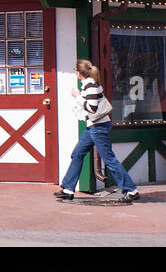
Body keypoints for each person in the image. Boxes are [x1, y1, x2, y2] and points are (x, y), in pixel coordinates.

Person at [57, 59, 139, 203]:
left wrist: (77, 97)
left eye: (74, 70)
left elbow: (92, 108)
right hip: (93, 127)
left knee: (109, 159)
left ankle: (131, 190)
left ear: (79, 72)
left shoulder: (90, 85)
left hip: (98, 127)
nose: (74, 72)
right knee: (77, 154)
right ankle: (68, 189)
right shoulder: (88, 84)